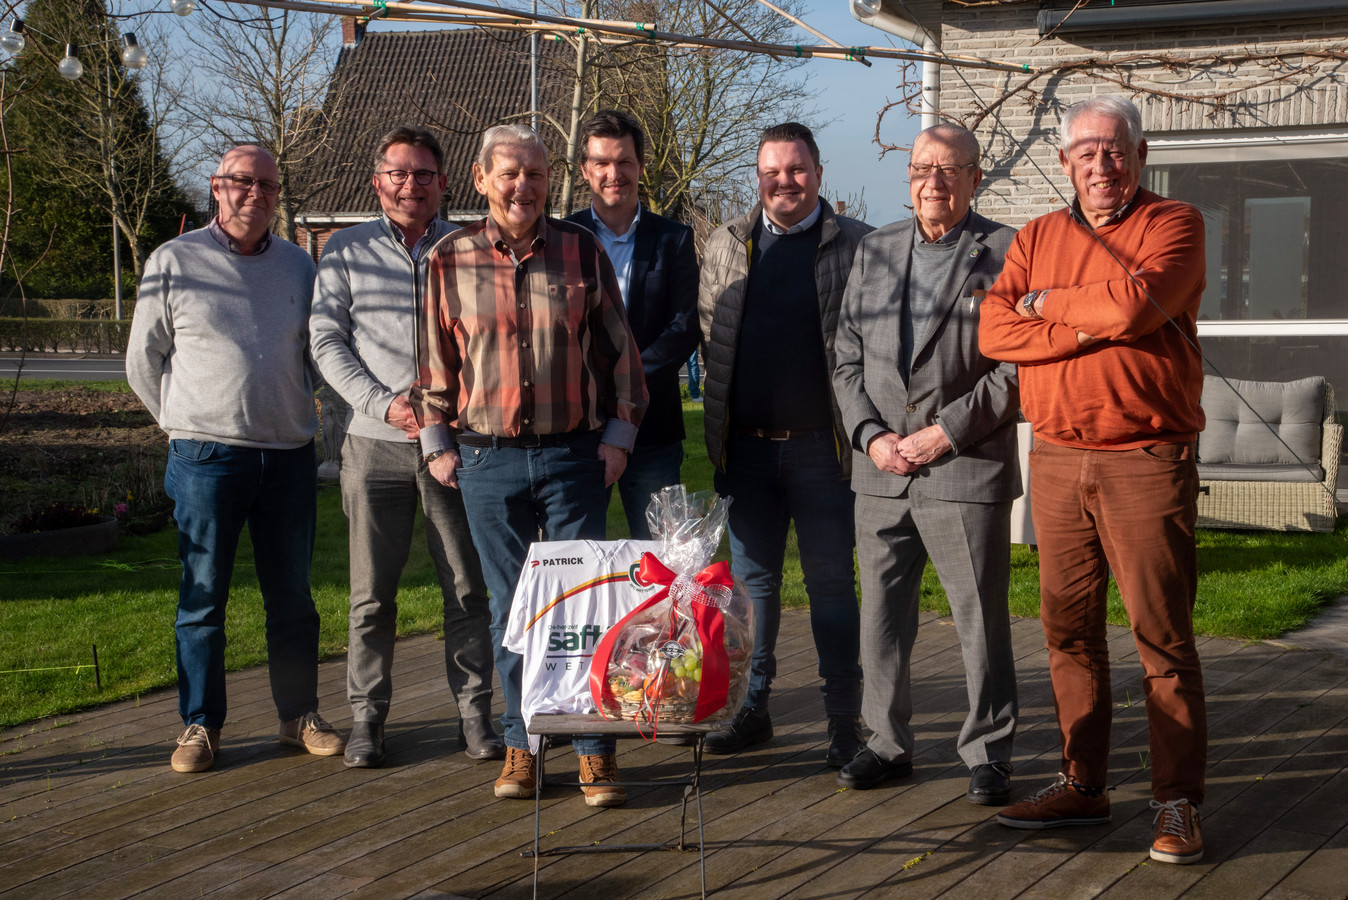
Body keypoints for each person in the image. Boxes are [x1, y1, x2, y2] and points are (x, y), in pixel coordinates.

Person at [979, 95, 1208, 864]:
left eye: (1115, 151)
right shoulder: (1039, 234)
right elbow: (992, 327)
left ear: (1139, 156)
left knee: (1161, 637)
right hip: (1055, 455)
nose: (1101, 166)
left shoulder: (1176, 223)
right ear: (1066, 160)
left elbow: (1143, 303)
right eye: (1086, 153)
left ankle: (1176, 802)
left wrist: (1049, 310)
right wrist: (1092, 317)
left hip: (1145, 456)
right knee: (1067, 632)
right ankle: (1084, 785)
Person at [411, 124, 648, 806]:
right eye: (508, 174)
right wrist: (439, 445)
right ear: (481, 180)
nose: (523, 187)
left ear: (551, 183)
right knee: (513, 615)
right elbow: (433, 364)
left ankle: (595, 751)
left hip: (575, 458)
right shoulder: (448, 259)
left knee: (583, 612)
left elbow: (622, 357)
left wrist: (619, 437)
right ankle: (523, 745)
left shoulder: (582, 251)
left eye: (536, 175)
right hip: (486, 462)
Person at [127, 145, 345, 774]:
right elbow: (144, 361)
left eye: (268, 186)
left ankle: (297, 714)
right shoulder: (175, 261)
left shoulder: (301, 268)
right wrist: (182, 425)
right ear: (217, 187)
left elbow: (317, 357)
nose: (256, 195)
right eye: (243, 183)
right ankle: (201, 725)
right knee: (202, 600)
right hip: (206, 459)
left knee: (294, 599)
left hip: (287, 457)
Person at [832, 123, 1021, 802]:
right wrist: (869, 436)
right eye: (921, 169)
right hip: (880, 471)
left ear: (975, 176)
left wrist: (945, 433)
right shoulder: (876, 249)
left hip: (963, 467)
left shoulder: (1006, 250)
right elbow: (846, 356)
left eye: (949, 169)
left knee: (979, 618)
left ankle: (989, 751)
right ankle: (885, 742)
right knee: (880, 617)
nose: (932, 182)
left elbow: (1015, 367)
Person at [310, 127, 502, 769]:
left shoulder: (472, 248)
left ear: (445, 182)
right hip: (375, 446)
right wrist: (378, 402)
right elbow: (326, 339)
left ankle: (475, 715)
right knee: (371, 595)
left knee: (467, 588)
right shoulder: (345, 250)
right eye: (398, 173)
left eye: (423, 174)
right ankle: (368, 720)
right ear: (376, 179)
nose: (410, 185)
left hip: (456, 446)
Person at [698, 122, 872, 765]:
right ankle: (754, 708)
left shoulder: (856, 244)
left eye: (797, 170)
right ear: (758, 178)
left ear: (819, 174)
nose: (784, 182)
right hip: (745, 451)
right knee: (752, 590)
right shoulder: (727, 243)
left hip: (823, 451)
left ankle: (843, 721)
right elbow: (710, 334)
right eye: (772, 171)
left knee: (830, 585)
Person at [566, 110, 700, 540]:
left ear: (640, 166)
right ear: (586, 170)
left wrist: (628, 385)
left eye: (624, 162)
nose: (613, 174)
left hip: (653, 428)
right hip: (577, 428)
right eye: (602, 163)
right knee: (578, 557)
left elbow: (684, 326)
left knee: (662, 559)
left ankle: (659, 613)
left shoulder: (674, 239)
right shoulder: (560, 238)